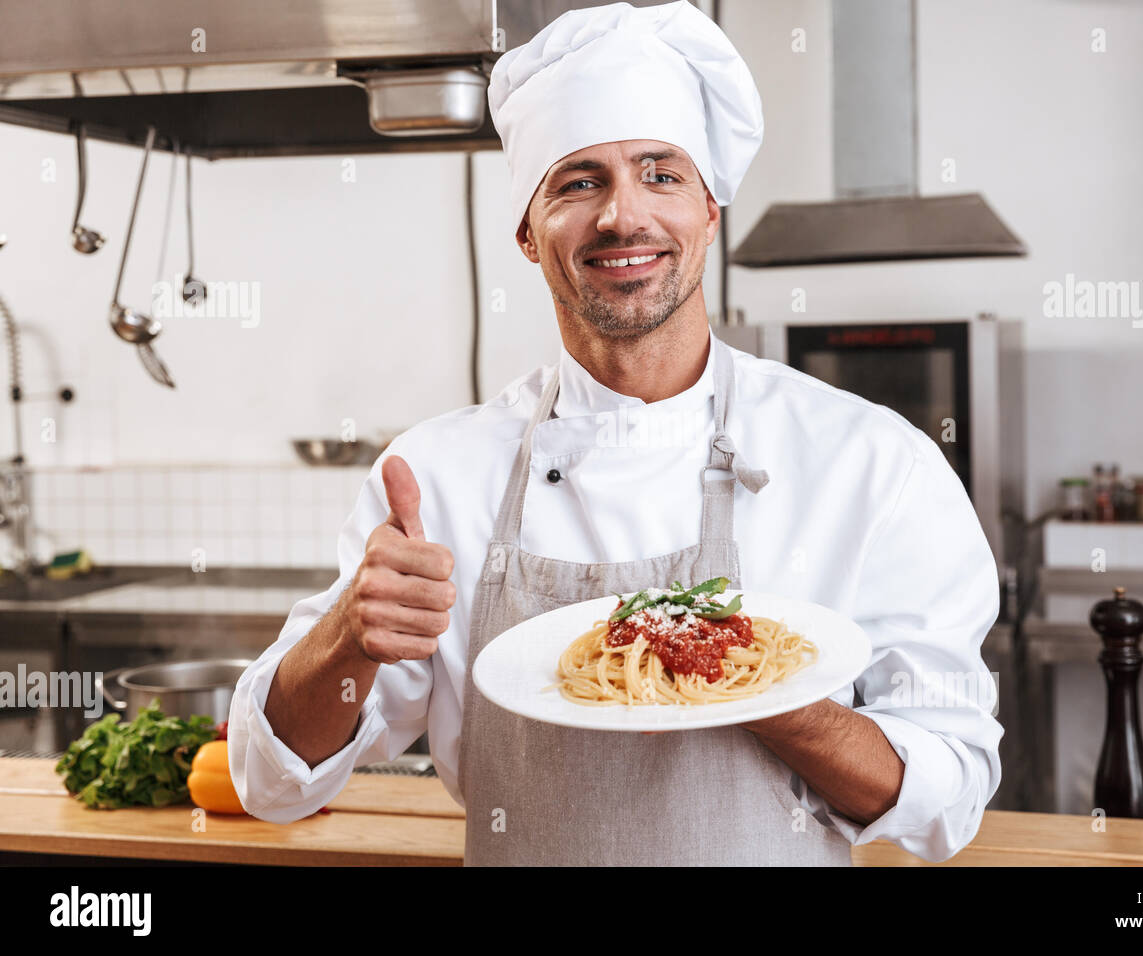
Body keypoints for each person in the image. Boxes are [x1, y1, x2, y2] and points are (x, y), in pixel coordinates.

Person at [228, 0, 1003, 866]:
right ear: (528, 231)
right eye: (578, 181)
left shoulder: (870, 461)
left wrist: (768, 689)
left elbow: (948, 798)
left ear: (710, 208)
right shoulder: (438, 475)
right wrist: (347, 635)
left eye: (661, 173)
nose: (622, 217)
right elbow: (271, 782)